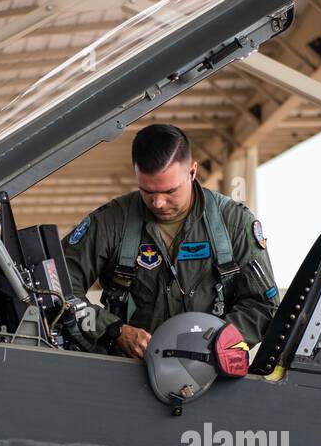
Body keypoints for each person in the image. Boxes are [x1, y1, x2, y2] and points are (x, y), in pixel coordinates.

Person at [63, 124, 279, 359]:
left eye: (169, 191)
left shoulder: (233, 223)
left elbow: (262, 306)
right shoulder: (111, 222)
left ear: (192, 172)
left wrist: (213, 345)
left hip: (211, 374)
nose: (158, 203)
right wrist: (113, 330)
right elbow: (58, 288)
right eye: (147, 191)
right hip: (126, 373)